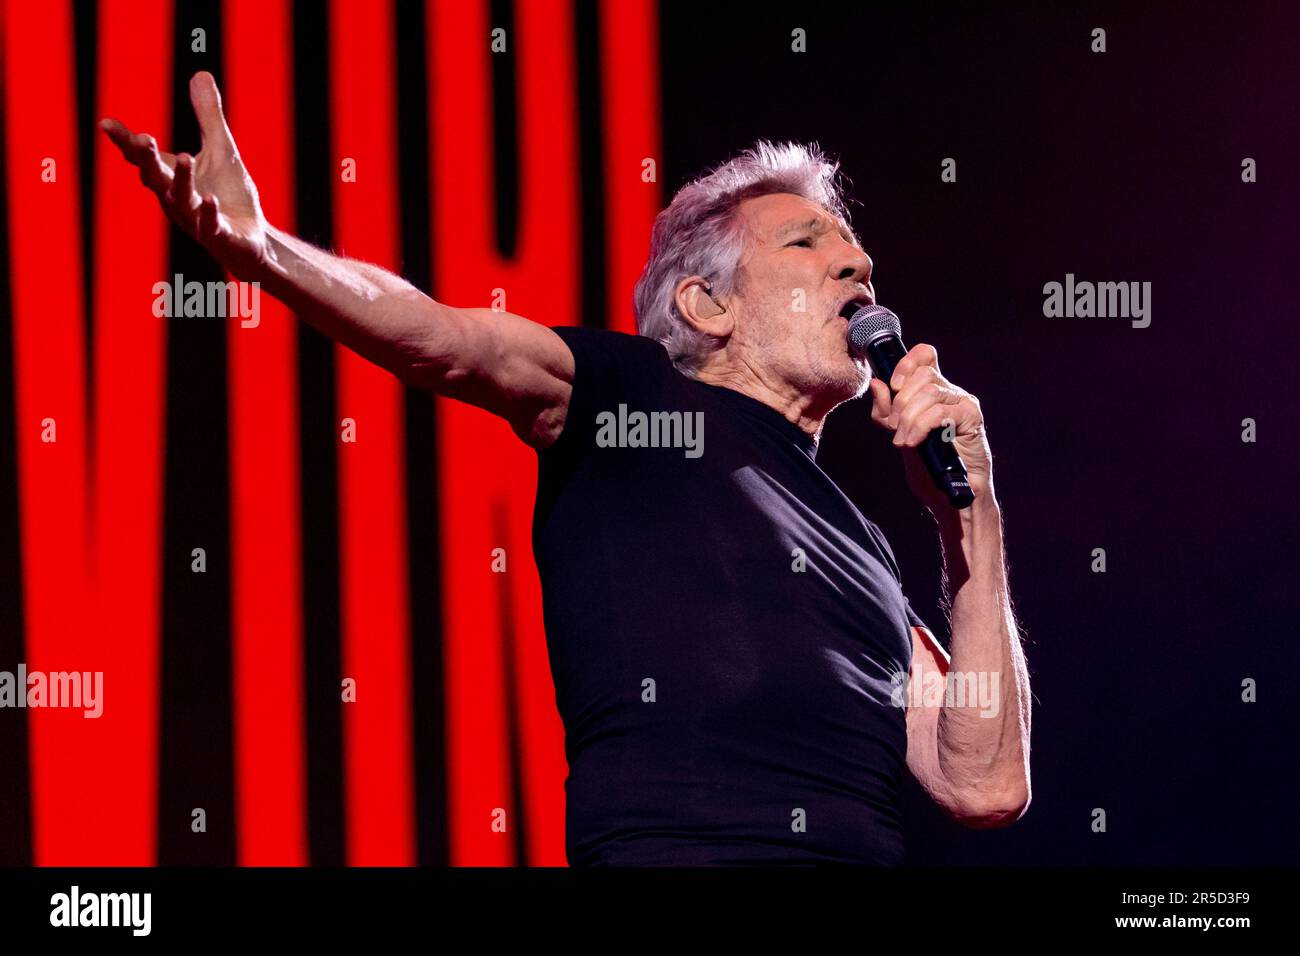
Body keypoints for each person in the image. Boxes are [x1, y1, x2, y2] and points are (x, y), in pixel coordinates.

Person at [102, 71, 1031, 865]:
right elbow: (439, 336)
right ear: (705, 305)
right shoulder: (630, 396)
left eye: (852, 247)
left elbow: (982, 780)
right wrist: (267, 253)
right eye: (807, 243)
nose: (856, 261)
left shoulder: (864, 547)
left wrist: (972, 517)